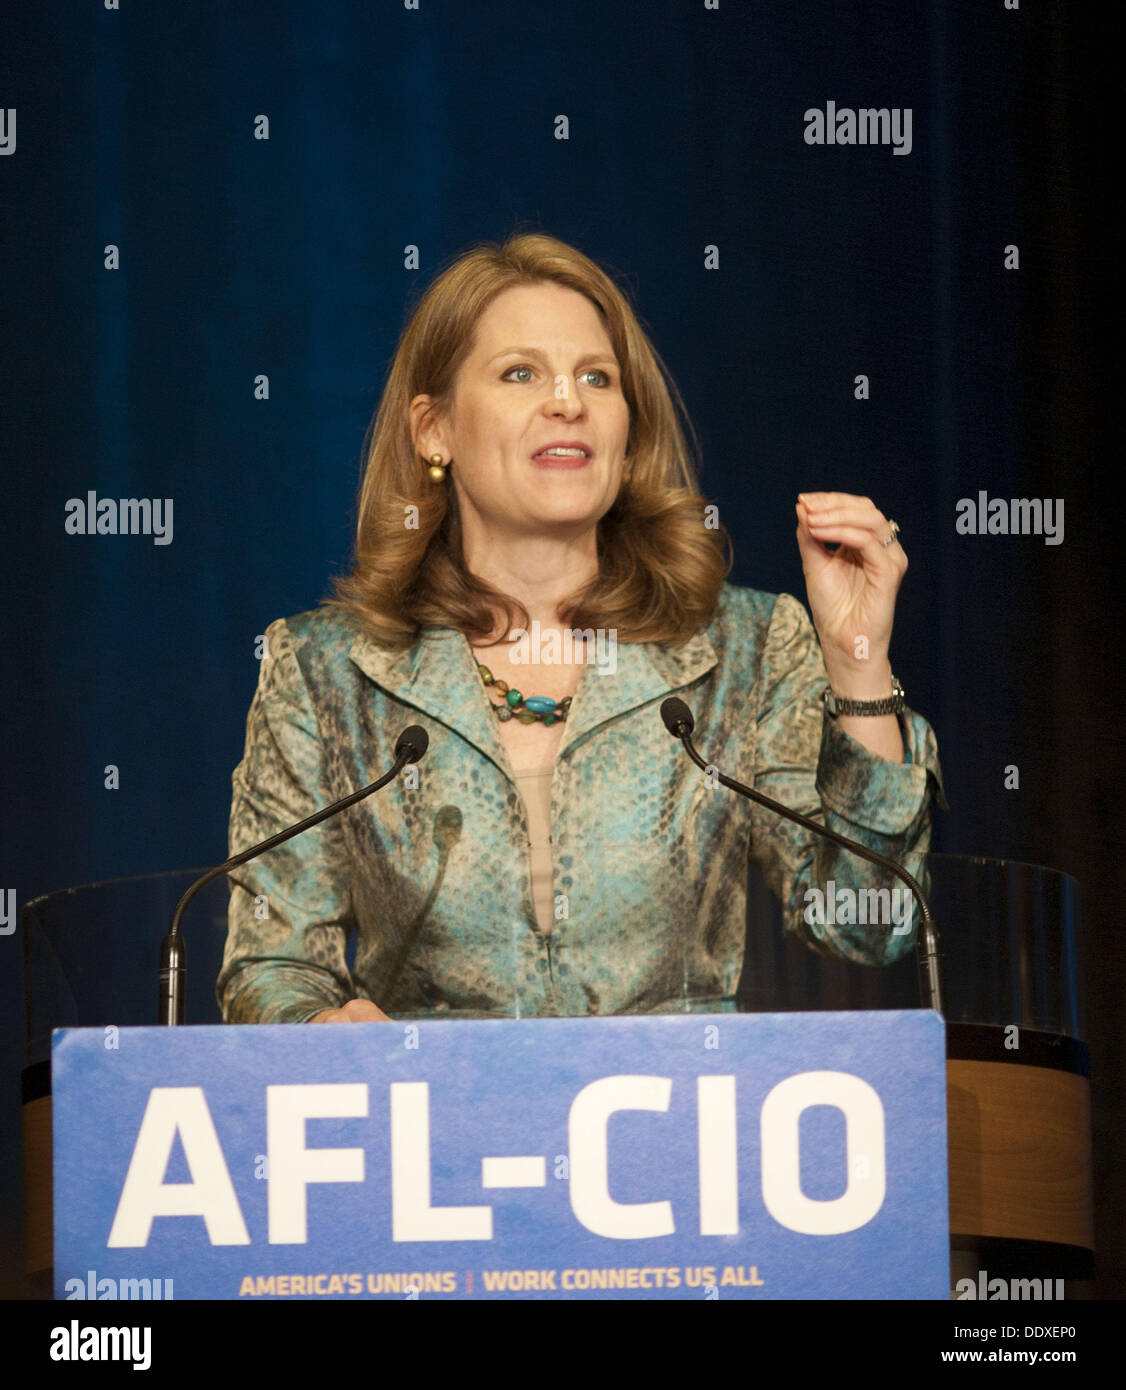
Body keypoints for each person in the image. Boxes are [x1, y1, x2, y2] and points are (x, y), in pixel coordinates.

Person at [216, 232, 947, 1026]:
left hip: (674, 1135)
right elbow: (271, 963)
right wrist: (326, 1030)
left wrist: (857, 662)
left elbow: (870, 925)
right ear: (435, 430)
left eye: (596, 377)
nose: (567, 401)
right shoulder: (329, 671)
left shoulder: (745, 647)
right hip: (437, 1134)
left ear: (626, 428)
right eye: (520, 373)